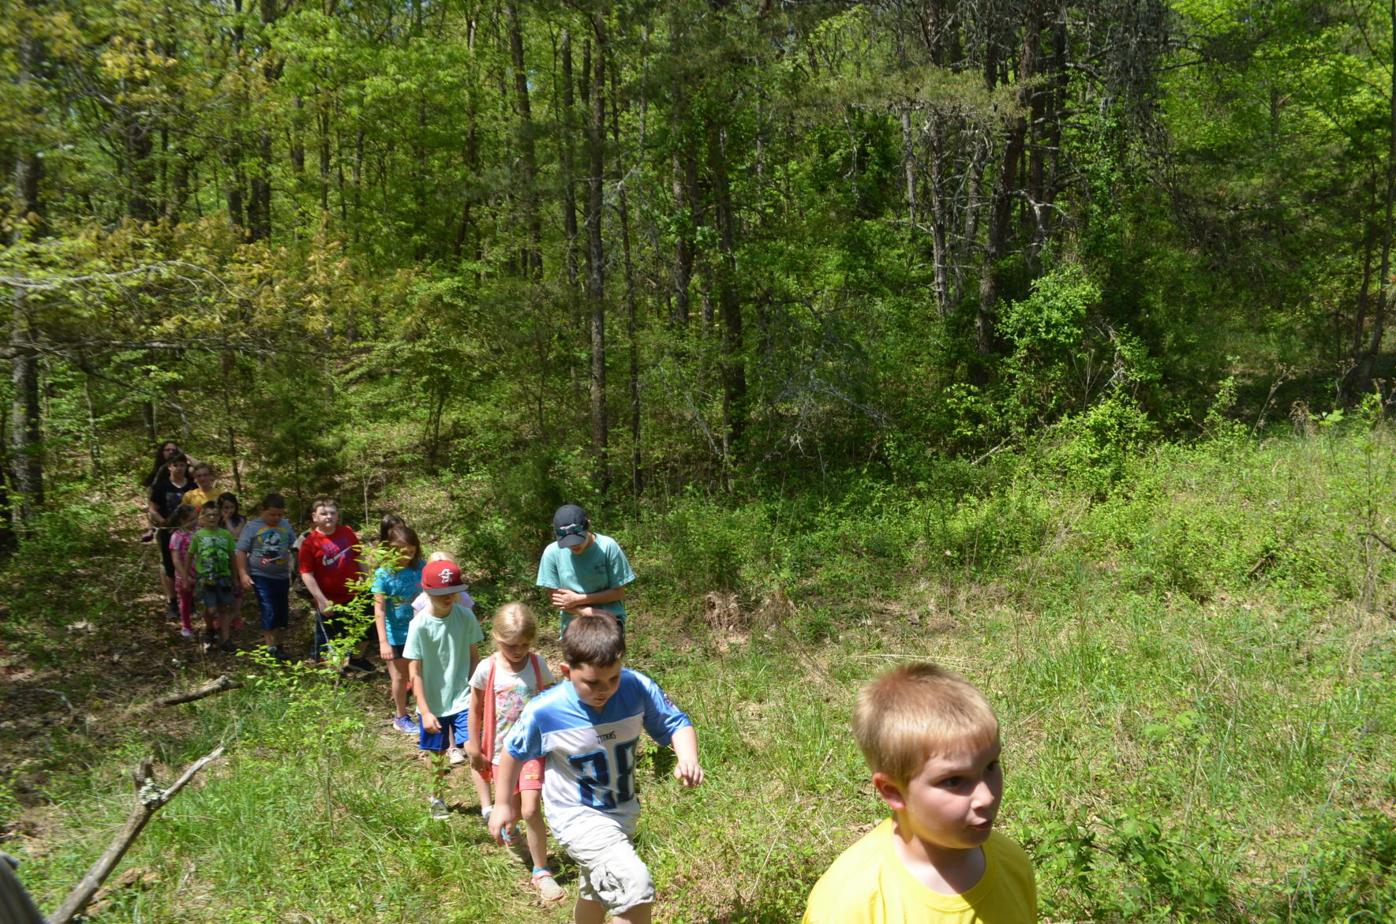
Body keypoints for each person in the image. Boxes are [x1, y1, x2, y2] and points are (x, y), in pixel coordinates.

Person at [489, 614, 703, 924]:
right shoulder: (545, 711)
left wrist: (687, 757)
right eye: (591, 682)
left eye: (613, 678)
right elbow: (513, 751)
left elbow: (676, 723)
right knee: (634, 887)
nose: (605, 690)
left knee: (594, 889)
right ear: (567, 672)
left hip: (622, 812)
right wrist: (503, 804)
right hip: (576, 816)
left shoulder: (635, 687)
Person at [801, 662, 1036, 924]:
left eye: (991, 766)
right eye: (954, 781)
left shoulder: (1012, 863)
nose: (987, 796)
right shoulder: (850, 903)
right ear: (893, 791)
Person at [466, 602, 564, 902]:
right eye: (511, 645)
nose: (518, 651)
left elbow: (550, 699)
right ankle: (511, 830)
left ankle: (541, 870)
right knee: (513, 811)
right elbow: (475, 708)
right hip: (500, 753)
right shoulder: (487, 669)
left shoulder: (537, 665)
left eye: (524, 644)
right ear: (496, 637)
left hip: (532, 750)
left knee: (531, 809)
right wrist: (473, 744)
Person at [404, 559, 484, 819]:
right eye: (441, 593)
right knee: (437, 755)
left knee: (474, 748)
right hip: (433, 702)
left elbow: (474, 658)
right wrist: (425, 711)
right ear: (427, 592)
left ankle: (487, 805)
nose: (448, 597)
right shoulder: (419, 625)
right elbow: (414, 672)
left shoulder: (466, 616)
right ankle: (437, 797)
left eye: (453, 591)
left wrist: (477, 694)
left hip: (463, 697)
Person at [536, 504, 636, 637]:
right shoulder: (552, 553)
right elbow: (557, 599)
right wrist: (586, 612)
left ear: (588, 525)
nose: (573, 545)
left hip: (610, 619)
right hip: (573, 623)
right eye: (568, 542)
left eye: (577, 539)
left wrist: (578, 599)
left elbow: (618, 593)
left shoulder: (608, 547)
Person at [298, 496, 371, 670]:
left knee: (366, 631)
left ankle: (356, 661)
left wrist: (368, 580)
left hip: (355, 595)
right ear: (315, 517)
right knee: (333, 642)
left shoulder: (347, 532)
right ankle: (334, 676)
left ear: (338, 515)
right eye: (324, 513)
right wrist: (321, 600)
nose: (329, 516)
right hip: (329, 601)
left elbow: (359, 556)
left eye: (332, 513)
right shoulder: (309, 543)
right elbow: (306, 574)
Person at [373, 525, 426, 733]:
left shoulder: (421, 567)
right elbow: (379, 609)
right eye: (401, 552)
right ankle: (401, 716)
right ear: (390, 549)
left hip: (421, 632)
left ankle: (426, 712)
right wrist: (383, 641)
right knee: (400, 677)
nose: (406, 557)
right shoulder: (383, 574)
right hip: (396, 635)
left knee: (421, 674)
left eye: (411, 552)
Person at [235, 494, 297, 659]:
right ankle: (271, 648)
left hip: (282, 576)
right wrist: (243, 574)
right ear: (263, 510)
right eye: (272, 514)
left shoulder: (285, 525)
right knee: (269, 608)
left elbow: (295, 546)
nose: (276, 518)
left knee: (281, 611)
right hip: (261, 575)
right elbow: (241, 551)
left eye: (280, 514)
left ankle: (279, 645)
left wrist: (298, 569)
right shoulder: (252, 527)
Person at [147, 452, 195, 621]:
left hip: (189, 533)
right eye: (176, 465)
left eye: (182, 465)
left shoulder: (192, 486)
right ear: (169, 467)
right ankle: (173, 602)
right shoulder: (161, 487)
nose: (179, 468)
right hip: (168, 532)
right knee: (169, 566)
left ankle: (190, 600)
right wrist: (163, 522)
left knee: (190, 563)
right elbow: (152, 508)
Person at [191, 501, 239, 654]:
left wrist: (235, 577)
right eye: (208, 515)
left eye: (215, 515)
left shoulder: (226, 535)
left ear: (220, 517)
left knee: (224, 608)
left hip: (223, 577)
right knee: (210, 609)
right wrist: (186, 576)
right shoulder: (198, 536)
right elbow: (190, 555)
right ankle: (210, 629)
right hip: (205, 578)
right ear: (203, 517)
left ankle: (226, 639)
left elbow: (232, 557)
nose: (212, 518)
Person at [166, 504, 198, 640]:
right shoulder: (176, 536)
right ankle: (186, 625)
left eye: (195, 518)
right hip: (184, 574)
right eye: (191, 519)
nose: (194, 522)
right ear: (182, 520)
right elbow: (176, 559)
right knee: (185, 599)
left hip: (200, 571)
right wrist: (185, 576)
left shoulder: (198, 532)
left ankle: (211, 625)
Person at [139, 440, 181, 542]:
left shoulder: (183, 468)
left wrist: (185, 455)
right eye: (167, 450)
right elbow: (151, 498)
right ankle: (150, 529)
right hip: (163, 515)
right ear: (162, 452)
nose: (170, 452)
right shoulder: (158, 471)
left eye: (173, 450)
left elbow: (200, 467)